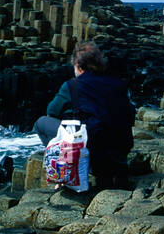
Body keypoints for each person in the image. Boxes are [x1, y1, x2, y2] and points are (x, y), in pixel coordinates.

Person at [33, 40, 135, 189]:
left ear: (78, 66)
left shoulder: (72, 85)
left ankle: (66, 166)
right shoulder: (118, 85)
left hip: (92, 149)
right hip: (118, 151)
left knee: (41, 123)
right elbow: (129, 114)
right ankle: (103, 170)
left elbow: (52, 111)